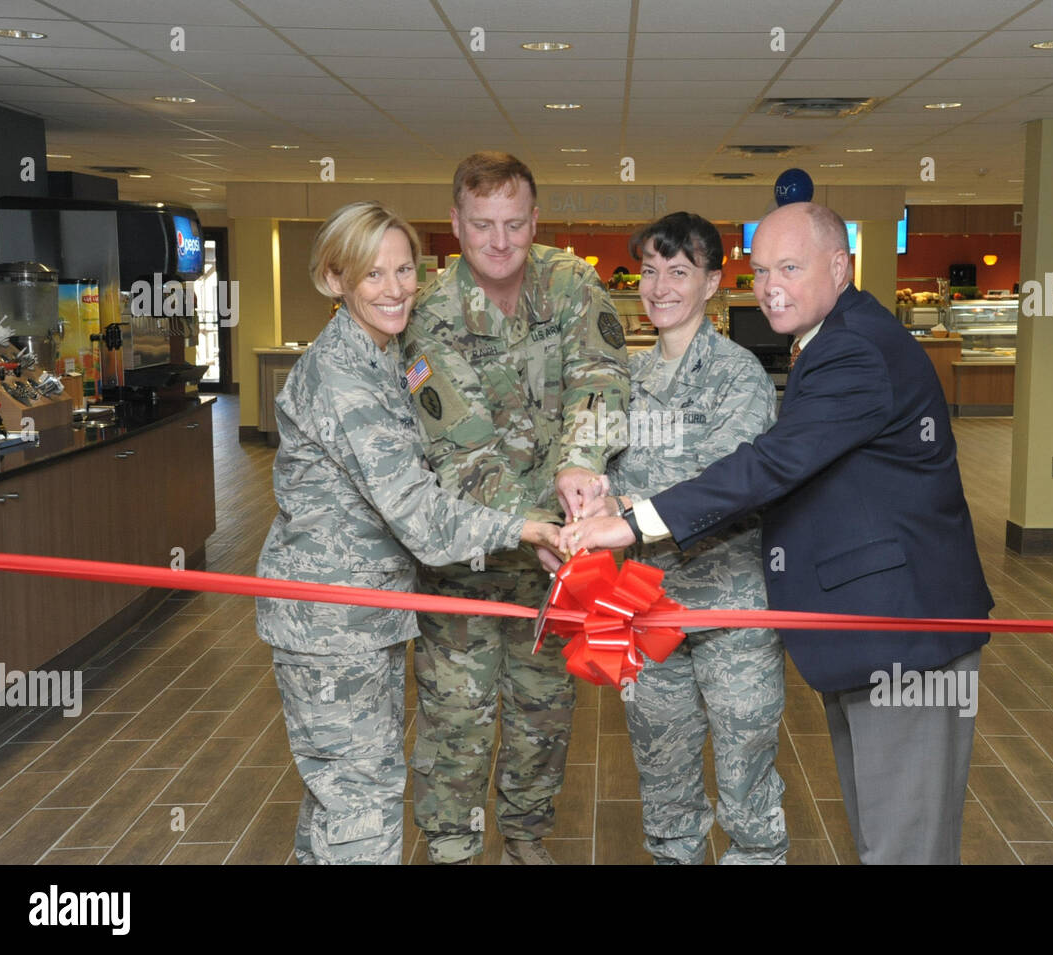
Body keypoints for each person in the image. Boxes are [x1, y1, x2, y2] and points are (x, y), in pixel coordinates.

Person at [565, 201, 994, 865]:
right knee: (885, 836)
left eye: (789, 268)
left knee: (904, 844)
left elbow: (765, 468)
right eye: (762, 270)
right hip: (864, 630)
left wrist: (630, 524)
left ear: (840, 265)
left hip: (904, 636)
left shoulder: (852, 348)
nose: (770, 286)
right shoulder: (835, 340)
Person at [256, 200, 562, 865]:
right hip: (333, 622)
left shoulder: (384, 354)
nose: (396, 289)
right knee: (361, 801)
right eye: (374, 275)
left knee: (339, 794)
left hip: (368, 615)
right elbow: (419, 513)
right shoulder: (341, 375)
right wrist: (525, 524)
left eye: (405, 271)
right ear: (335, 279)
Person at [400, 152, 629, 865]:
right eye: (482, 226)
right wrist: (539, 526)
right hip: (466, 566)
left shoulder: (571, 281)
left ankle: (527, 839)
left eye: (514, 224)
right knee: (456, 720)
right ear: (455, 224)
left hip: (556, 565)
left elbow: (602, 372)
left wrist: (582, 468)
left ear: (535, 220)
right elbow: (463, 450)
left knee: (542, 718)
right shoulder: (429, 315)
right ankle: (452, 848)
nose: (499, 243)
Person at [592, 211, 785, 864]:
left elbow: (730, 486)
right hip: (645, 608)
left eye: (679, 271)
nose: (660, 286)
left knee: (746, 778)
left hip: (730, 608)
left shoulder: (739, 378)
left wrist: (625, 511)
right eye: (649, 271)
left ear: (712, 282)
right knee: (665, 777)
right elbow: (595, 473)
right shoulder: (623, 381)